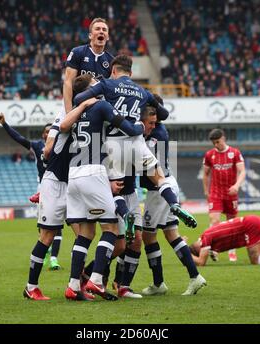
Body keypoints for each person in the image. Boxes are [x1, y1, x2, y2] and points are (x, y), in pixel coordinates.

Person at [74, 54, 197, 229]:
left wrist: (93, 101)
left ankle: (126, 214)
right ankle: (174, 205)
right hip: (137, 143)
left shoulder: (107, 84)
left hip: (113, 146)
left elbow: (78, 99)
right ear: (130, 73)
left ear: (114, 70)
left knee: (115, 188)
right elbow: (164, 114)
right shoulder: (143, 91)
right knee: (160, 178)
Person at [60, 74, 144, 301]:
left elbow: (63, 126)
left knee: (85, 233)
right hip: (93, 171)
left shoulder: (76, 110)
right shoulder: (102, 105)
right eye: (96, 82)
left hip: (74, 173)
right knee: (111, 230)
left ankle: (73, 285)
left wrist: (81, 103)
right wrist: (140, 125)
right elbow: (129, 128)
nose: (100, 84)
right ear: (91, 88)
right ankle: (96, 280)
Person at [23, 100, 96, 300]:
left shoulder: (91, 118)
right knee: (47, 237)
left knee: (84, 235)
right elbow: (48, 149)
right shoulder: (65, 115)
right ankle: (31, 287)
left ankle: (75, 285)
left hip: (73, 184)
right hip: (55, 182)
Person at [140, 103, 206, 296]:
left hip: (158, 189)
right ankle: (195, 277)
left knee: (148, 235)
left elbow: (148, 165)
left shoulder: (155, 134)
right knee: (172, 235)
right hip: (167, 184)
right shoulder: (159, 129)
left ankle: (159, 282)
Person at [0, 114, 65, 270]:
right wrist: (5, 124)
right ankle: (45, 251)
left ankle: (54, 259)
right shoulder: (37, 145)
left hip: (61, 187)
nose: (49, 133)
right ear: (43, 134)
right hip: (44, 189)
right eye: (46, 131)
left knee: (58, 225)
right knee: (44, 226)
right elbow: (19, 138)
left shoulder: (61, 145)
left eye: (51, 131)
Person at [203, 128, 246, 262]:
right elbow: (205, 174)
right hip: (216, 193)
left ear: (223, 138)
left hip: (231, 193)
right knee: (214, 220)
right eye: (214, 143)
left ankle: (231, 251)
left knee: (231, 223)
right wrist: (206, 191)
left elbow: (242, 171)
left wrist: (237, 185)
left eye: (218, 142)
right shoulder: (209, 155)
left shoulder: (235, 153)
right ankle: (213, 248)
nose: (216, 145)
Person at [63, 17, 113, 114]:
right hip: (74, 105)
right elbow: (68, 82)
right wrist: (68, 113)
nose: (101, 32)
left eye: (104, 30)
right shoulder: (78, 52)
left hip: (97, 110)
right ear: (90, 35)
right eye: (97, 29)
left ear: (107, 37)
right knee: (55, 130)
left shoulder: (111, 61)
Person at [189, 215, 260, 266]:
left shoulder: (205, 239)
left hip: (250, 225)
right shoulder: (205, 237)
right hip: (251, 222)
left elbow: (201, 262)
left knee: (256, 260)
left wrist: (186, 254)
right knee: (259, 258)